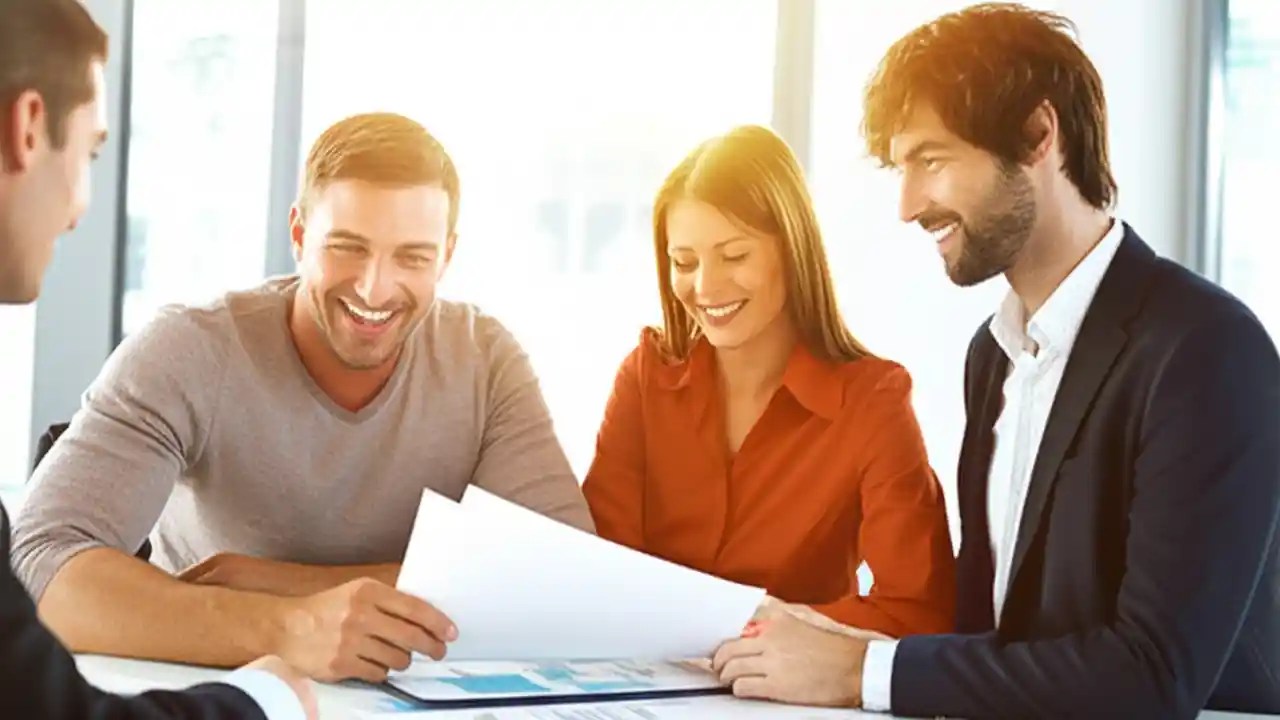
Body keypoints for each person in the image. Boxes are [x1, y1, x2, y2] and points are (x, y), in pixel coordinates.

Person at [711, 4, 1280, 717]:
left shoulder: (1205, 349)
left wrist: (862, 672)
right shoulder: (993, 355)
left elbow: (1153, 674)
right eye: (900, 166)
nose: (909, 204)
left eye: (932, 159)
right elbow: (992, 635)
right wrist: (834, 633)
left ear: (1039, 135)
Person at [11, 109, 595, 684]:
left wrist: (283, 583)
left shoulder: (485, 360)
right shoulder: (189, 349)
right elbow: (35, 566)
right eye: (347, 247)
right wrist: (285, 627)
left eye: (412, 257)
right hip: (216, 698)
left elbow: (567, 581)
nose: (375, 287)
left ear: (446, 256)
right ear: (298, 234)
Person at [0, 0, 316, 717]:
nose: (80, 206)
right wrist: (265, 699)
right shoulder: (193, 346)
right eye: (90, 154)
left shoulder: (484, 359)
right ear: (26, 130)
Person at [583, 125, 955, 639]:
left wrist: (773, 628)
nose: (706, 287)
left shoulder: (872, 402)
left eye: (735, 256)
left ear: (792, 250)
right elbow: (599, 573)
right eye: (683, 262)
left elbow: (918, 610)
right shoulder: (645, 377)